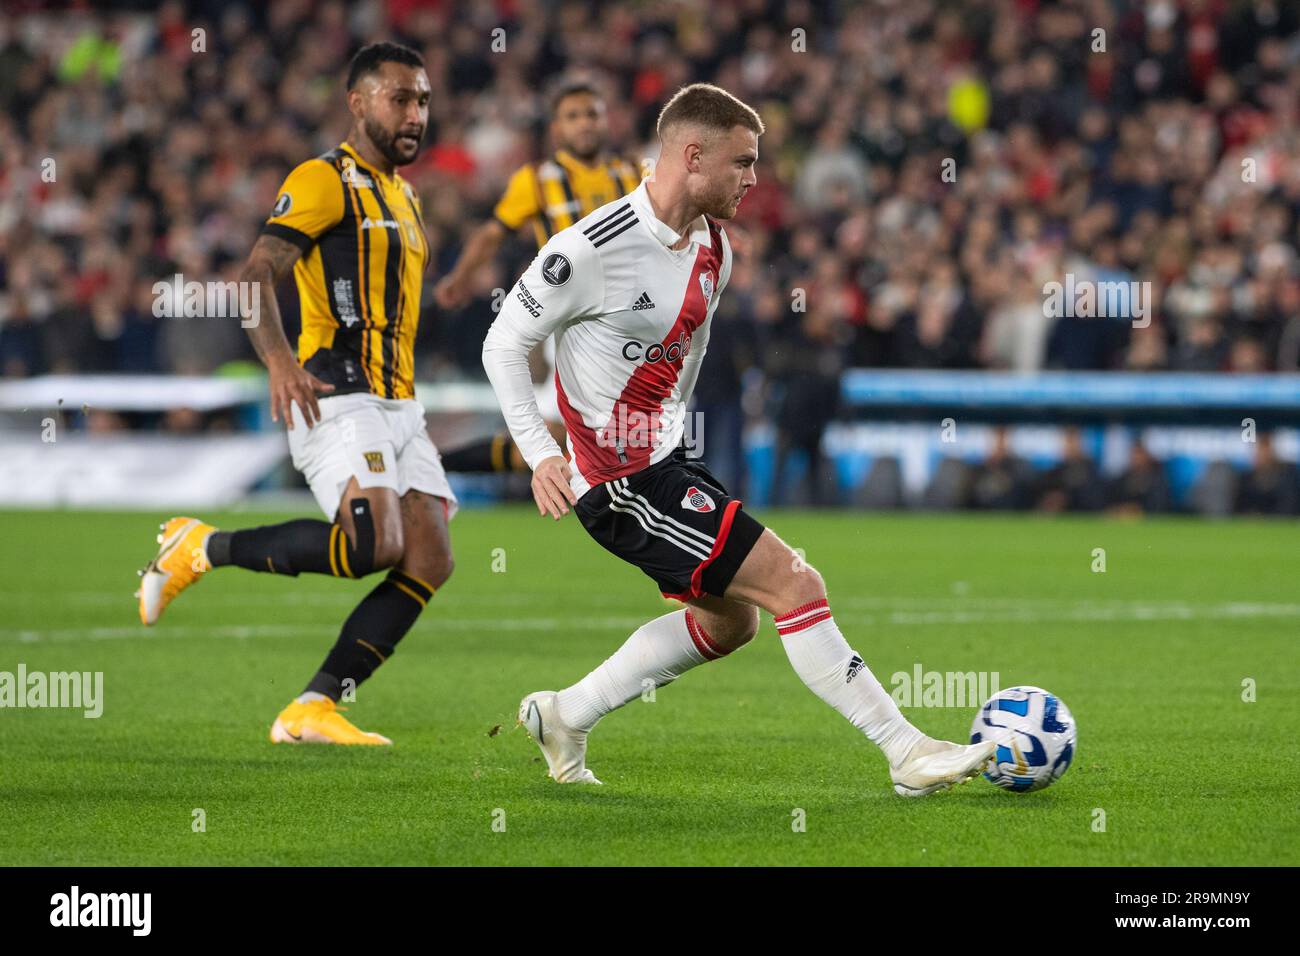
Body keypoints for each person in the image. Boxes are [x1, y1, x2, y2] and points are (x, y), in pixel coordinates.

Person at [481, 82, 995, 796]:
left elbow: (686, 351)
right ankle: (907, 753)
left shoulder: (715, 246)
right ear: (693, 156)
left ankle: (566, 714)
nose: (754, 179)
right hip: (617, 484)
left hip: (667, 462)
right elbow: (503, 343)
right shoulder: (590, 250)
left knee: (730, 625)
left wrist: (680, 441)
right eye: (743, 163)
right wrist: (542, 453)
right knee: (795, 583)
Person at [135, 43, 456, 745]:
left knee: (430, 558)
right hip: (335, 393)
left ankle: (313, 707)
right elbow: (254, 278)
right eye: (399, 98)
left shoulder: (405, 194)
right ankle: (202, 546)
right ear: (358, 102)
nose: (414, 114)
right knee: (374, 545)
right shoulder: (323, 180)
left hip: (400, 403)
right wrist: (279, 362)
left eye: (423, 100)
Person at [436, 77, 640, 476]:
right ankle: (435, 464)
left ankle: (435, 463)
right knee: (591, 436)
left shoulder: (633, 174)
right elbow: (493, 231)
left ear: (606, 122)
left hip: (627, 318)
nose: (584, 124)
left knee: (560, 437)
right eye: (573, 116)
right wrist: (460, 278)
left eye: (592, 114)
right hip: (575, 323)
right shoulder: (538, 180)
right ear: (556, 129)